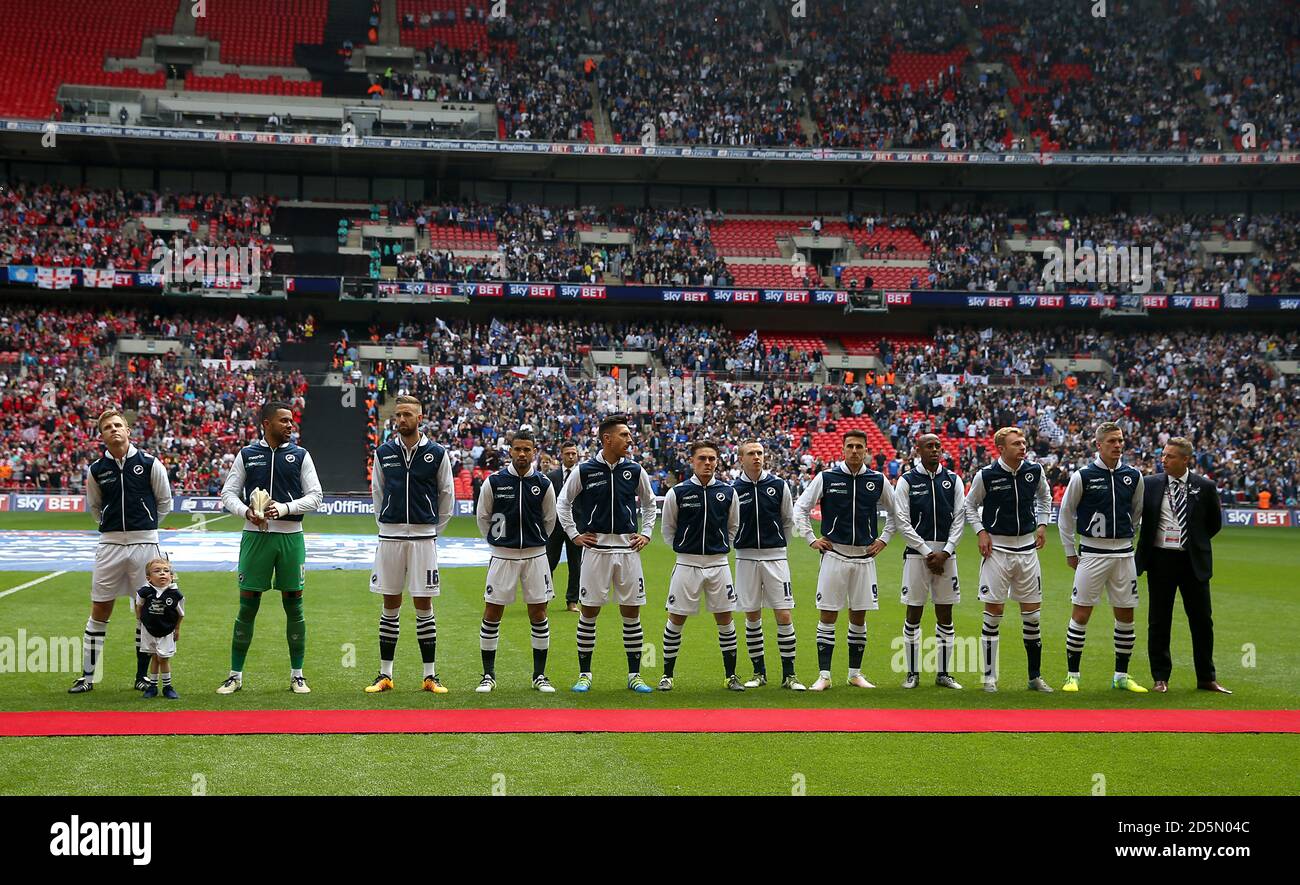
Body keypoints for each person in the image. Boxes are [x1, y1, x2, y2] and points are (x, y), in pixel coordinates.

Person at [217, 401, 323, 695]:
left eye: (291, 421)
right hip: (255, 537)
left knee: (294, 605)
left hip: (291, 537)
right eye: (284, 421)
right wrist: (245, 512)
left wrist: (286, 508)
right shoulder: (247, 455)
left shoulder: (301, 455)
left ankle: (297, 675)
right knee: (247, 606)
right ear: (266, 423)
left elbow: (316, 497)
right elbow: (228, 493)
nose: (290, 425)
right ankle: (235, 675)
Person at [69, 409, 173, 694]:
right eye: (107, 427)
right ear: (101, 435)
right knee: (100, 607)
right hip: (110, 544)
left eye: (118, 425)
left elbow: (164, 503)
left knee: (146, 610)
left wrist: (146, 526)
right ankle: (87, 676)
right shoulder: (96, 470)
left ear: (128, 431)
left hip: (145, 543)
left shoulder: (151, 464)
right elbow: (94, 507)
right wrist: (113, 527)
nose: (113, 430)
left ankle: (142, 677)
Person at [793, 429, 905, 691]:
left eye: (859, 447)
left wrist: (884, 539)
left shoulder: (878, 480)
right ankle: (824, 675)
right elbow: (800, 507)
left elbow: (896, 513)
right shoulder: (827, 477)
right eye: (850, 446)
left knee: (859, 616)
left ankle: (855, 674)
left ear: (866, 450)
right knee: (828, 615)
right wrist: (811, 538)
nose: (855, 451)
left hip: (865, 557)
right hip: (834, 555)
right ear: (842, 449)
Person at [555, 415, 658, 694]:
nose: (630, 439)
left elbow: (650, 504)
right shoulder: (585, 470)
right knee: (588, 612)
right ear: (607, 439)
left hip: (627, 550)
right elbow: (562, 502)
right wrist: (574, 534)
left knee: (632, 613)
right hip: (596, 550)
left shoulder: (635, 470)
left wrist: (646, 532)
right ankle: (585, 674)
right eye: (624, 435)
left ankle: (635, 674)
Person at [362, 395, 455, 694]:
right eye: (398, 415)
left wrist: (429, 527)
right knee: (390, 604)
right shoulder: (383, 452)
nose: (401, 420)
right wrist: (387, 523)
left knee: (423, 604)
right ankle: (384, 674)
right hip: (390, 536)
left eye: (407, 415)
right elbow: (378, 492)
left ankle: (430, 676)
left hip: (423, 537)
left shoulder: (438, 454)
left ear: (420, 418)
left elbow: (446, 497)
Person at [1057, 422, 1148, 693]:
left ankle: (1121, 675)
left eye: (1120, 440)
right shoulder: (1083, 475)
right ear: (1099, 445)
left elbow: (1137, 512)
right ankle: (1072, 675)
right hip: (1092, 553)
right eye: (1111, 441)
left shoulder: (1133, 476)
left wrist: (1125, 536)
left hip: (1123, 553)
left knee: (1126, 615)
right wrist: (1070, 551)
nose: (1117, 445)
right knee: (1081, 614)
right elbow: (1066, 514)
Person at [962, 426, 1053, 693]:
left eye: (1023, 442)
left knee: (1033, 617)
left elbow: (1045, 497)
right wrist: (980, 532)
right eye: (1016, 443)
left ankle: (1035, 677)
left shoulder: (1034, 471)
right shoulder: (986, 475)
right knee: (993, 615)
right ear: (1001, 448)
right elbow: (969, 505)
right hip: (997, 552)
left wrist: (1043, 524)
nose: (1022, 447)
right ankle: (989, 677)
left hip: (1027, 551)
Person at [1135, 437, 1229, 693]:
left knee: (1201, 620)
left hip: (1192, 560)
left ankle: (1206, 677)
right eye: (1163, 455)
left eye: (1170, 456)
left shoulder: (1204, 486)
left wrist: (1193, 541)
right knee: (1159, 620)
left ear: (1186, 460)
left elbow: (1213, 524)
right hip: (1160, 559)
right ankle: (1160, 677)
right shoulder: (1150, 484)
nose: (1163, 460)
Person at [474, 430, 558, 693]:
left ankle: (539, 676)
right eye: (518, 449)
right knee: (492, 613)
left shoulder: (544, 484)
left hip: (535, 556)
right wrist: (499, 544)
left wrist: (535, 540)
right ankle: (488, 676)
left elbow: (549, 520)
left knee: (539, 614)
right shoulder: (495, 482)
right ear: (509, 451)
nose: (522, 454)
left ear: (535, 452)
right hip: (503, 556)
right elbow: (483, 517)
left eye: (527, 449)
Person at [657, 440, 743, 692]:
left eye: (712, 459)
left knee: (725, 619)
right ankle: (667, 675)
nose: (707, 463)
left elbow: (732, 527)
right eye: (702, 458)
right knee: (676, 618)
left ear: (717, 461)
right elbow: (668, 530)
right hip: (687, 563)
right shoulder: (678, 492)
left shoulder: (728, 492)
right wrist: (686, 548)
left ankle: (731, 676)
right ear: (692, 461)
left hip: (718, 564)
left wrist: (719, 547)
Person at [893, 434, 965, 690]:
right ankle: (912, 673)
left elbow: (959, 518)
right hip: (916, 554)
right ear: (918, 450)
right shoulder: (907, 480)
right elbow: (902, 520)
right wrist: (926, 551)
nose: (935, 450)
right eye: (929, 446)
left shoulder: (953, 479)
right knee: (914, 611)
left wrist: (946, 551)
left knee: (945, 613)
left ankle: (943, 673)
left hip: (947, 555)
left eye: (937, 446)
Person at [732, 439, 804, 690]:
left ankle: (790, 675)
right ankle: (758, 673)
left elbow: (787, 520)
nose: (757, 457)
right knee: (752, 615)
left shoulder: (778, 485)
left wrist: (778, 544)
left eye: (760, 453)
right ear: (741, 458)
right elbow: (731, 525)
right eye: (751, 453)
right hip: (745, 557)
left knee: (784, 614)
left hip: (776, 556)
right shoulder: (733, 488)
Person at [136, 558, 184, 699]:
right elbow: (139, 606)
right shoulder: (144, 592)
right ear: (148, 578)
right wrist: (142, 622)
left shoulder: (175, 594)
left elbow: (180, 614)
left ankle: (168, 687)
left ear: (171, 575)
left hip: (166, 631)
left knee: (163, 658)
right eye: (157, 571)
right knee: (154, 657)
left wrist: (177, 629)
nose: (162, 574)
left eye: (166, 571)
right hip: (149, 631)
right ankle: (153, 687)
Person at [545, 440, 583, 612]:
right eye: (567, 453)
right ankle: (544, 596)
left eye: (573, 453)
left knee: (575, 564)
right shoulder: (552, 477)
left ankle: (572, 601)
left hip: (576, 527)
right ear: (561, 455)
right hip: (555, 526)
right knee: (548, 562)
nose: (570, 456)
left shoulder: (584, 476)